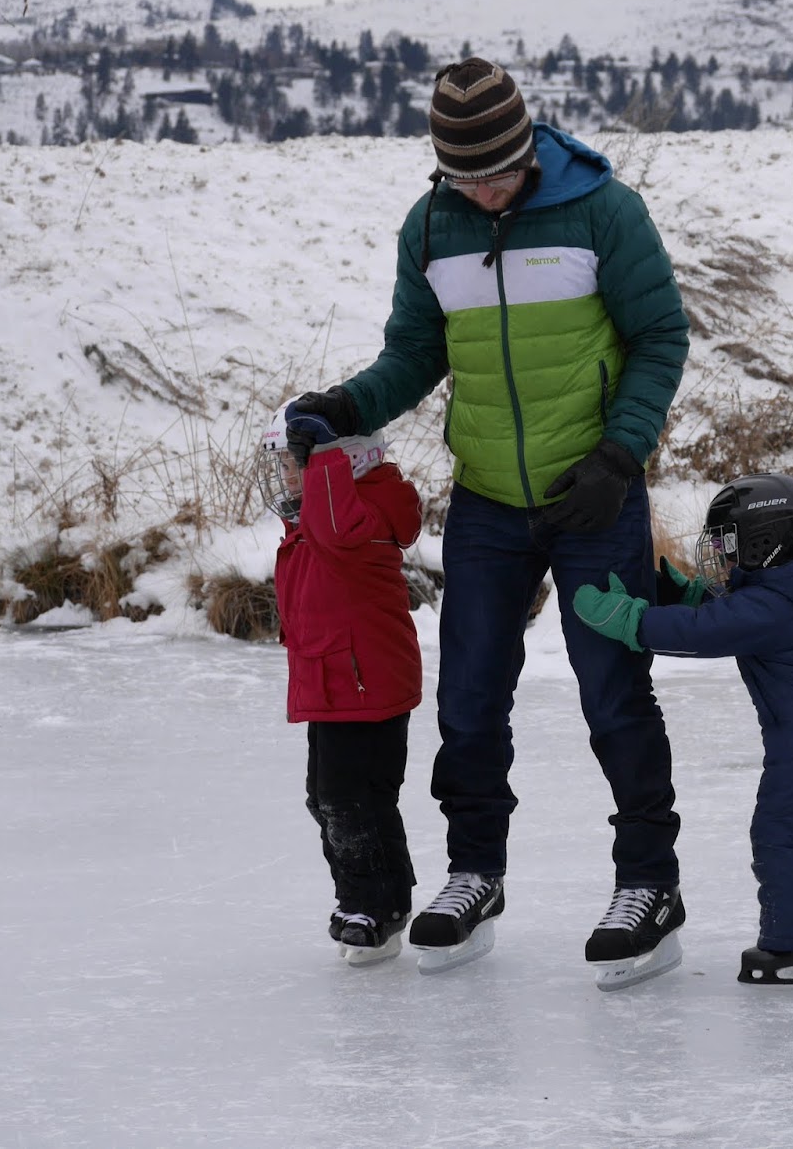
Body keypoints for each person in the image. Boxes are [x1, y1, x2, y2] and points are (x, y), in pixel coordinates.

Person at [285, 58, 690, 983]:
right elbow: (416, 353)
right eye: (465, 174)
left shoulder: (603, 211)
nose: (484, 187)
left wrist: (621, 454)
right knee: (468, 697)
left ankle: (650, 886)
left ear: (526, 145)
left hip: (594, 494)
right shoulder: (431, 227)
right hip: (490, 502)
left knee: (613, 694)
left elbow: (661, 336)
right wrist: (346, 408)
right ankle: (474, 874)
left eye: (497, 170)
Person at [573, 473, 793, 987]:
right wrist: (689, 594)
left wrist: (634, 620)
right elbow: (732, 613)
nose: (720, 558)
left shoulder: (770, 606)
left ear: (764, 543)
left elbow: (704, 633)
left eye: (726, 547)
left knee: (782, 836)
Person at [257, 402, 423, 967]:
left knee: (352, 801)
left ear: (341, 463)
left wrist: (324, 455)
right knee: (327, 801)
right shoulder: (319, 522)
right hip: (334, 684)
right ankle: (378, 896)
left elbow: (336, 528)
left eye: (293, 465)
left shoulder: (360, 518)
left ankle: (373, 907)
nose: (284, 478)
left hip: (366, 686)